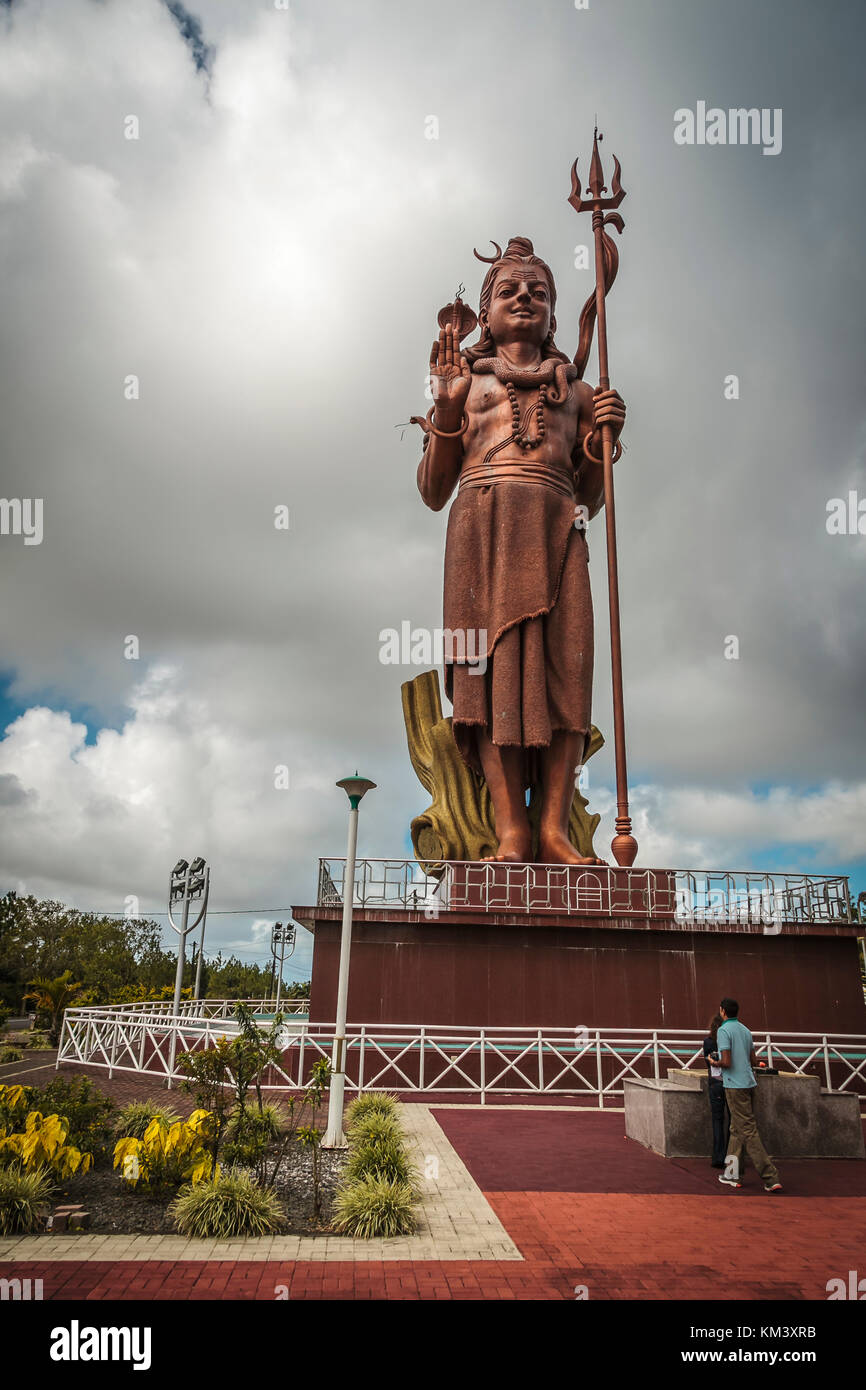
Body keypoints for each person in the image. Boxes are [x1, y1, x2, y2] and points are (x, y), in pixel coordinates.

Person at [416, 237, 626, 863]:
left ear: (555, 314)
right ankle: (511, 832)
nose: (525, 298)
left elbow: (592, 495)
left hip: (560, 529)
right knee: (487, 681)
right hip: (481, 532)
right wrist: (448, 412)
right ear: (486, 314)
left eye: (539, 291)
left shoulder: (579, 393)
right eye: (509, 290)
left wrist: (603, 441)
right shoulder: (467, 382)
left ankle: (554, 829)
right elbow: (432, 491)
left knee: (569, 675)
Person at [713, 997, 783, 1193]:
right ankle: (732, 1174)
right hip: (750, 1083)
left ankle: (770, 1176)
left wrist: (714, 1062)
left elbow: (726, 1061)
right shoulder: (745, 1030)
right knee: (737, 1129)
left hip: (734, 1086)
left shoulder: (724, 1030)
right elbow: (753, 1059)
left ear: (722, 1011)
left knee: (748, 1131)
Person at [702, 1013, 729, 1167]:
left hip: (715, 1083)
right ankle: (733, 1156)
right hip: (732, 1083)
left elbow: (708, 1062)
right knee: (733, 1122)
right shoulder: (729, 1041)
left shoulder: (708, 1042)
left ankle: (718, 1157)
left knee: (717, 1121)